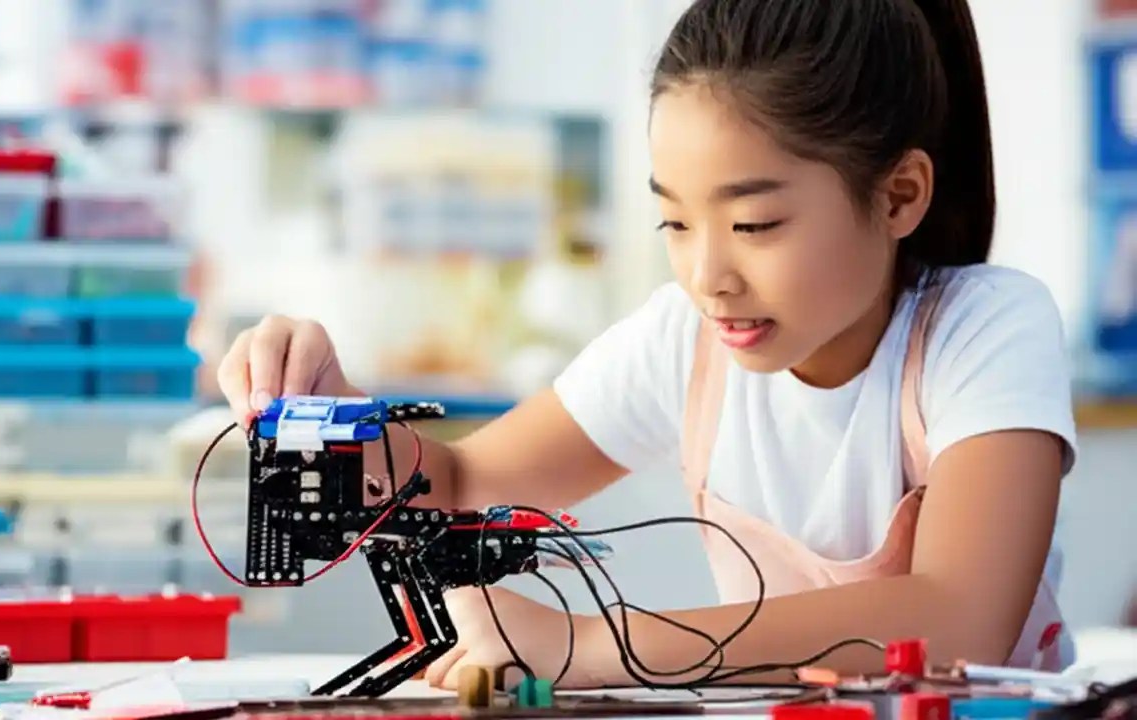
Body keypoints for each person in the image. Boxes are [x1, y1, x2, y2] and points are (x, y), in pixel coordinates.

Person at [217, 0, 1077, 690]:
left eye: (755, 223)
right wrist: (337, 424)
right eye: (674, 220)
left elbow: (962, 616)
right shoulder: (685, 340)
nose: (709, 275)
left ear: (899, 196)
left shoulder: (984, 328)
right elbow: (470, 484)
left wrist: (596, 646)